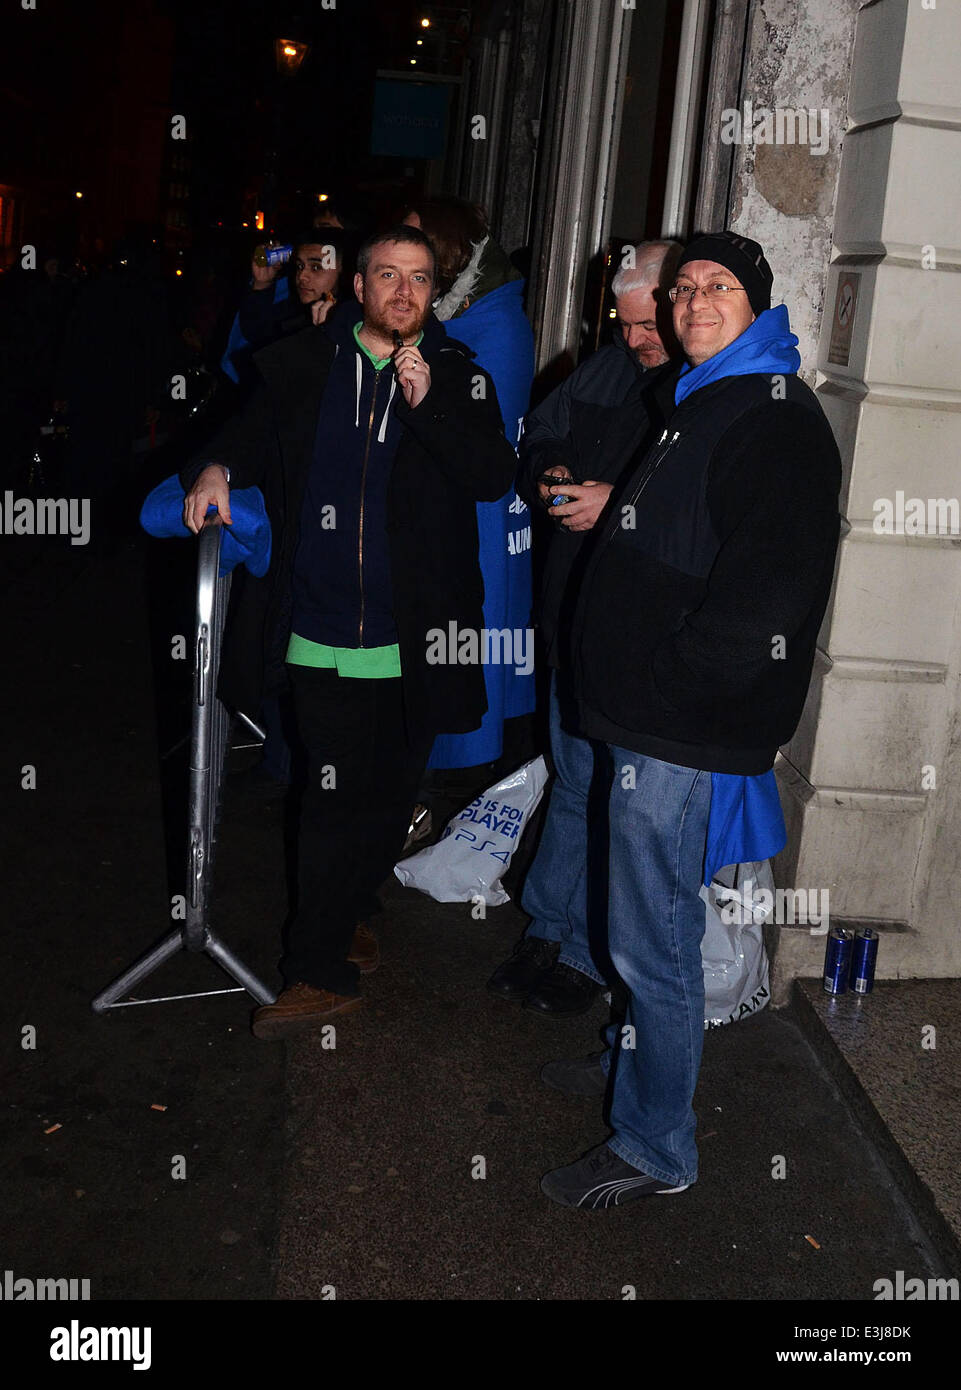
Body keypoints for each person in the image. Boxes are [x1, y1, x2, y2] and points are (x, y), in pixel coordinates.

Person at [539, 230, 841, 1206]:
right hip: (646, 722)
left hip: (676, 729)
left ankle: (654, 1142)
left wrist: (667, 688)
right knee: (641, 926)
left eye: (719, 288)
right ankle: (639, 1067)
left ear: (757, 305)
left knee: (653, 938)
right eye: (682, 289)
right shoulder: (702, 399)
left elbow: (763, 600)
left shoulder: (776, 419)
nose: (694, 302)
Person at [179, 225, 517, 1038]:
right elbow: (248, 433)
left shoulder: (459, 377)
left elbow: (490, 475)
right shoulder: (302, 366)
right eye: (387, 276)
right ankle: (317, 968)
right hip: (322, 628)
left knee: (389, 793)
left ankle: (352, 911)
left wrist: (427, 401)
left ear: (434, 293)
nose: (403, 291)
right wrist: (219, 465)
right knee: (332, 798)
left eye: (420, 279)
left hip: (416, 632)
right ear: (358, 286)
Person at [486, 241, 683, 1015]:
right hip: (574, 614)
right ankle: (547, 928)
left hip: (643, 631)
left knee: (623, 799)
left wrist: (622, 505)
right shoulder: (609, 366)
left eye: (648, 325)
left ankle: (586, 956)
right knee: (572, 780)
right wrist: (550, 476)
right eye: (624, 323)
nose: (636, 340)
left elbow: (709, 513)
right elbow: (541, 434)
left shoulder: (710, 386)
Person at [401, 198, 536, 784]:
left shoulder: (495, 320)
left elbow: (483, 445)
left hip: (475, 515)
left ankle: (444, 782)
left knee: (465, 645)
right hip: (445, 513)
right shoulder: (465, 312)